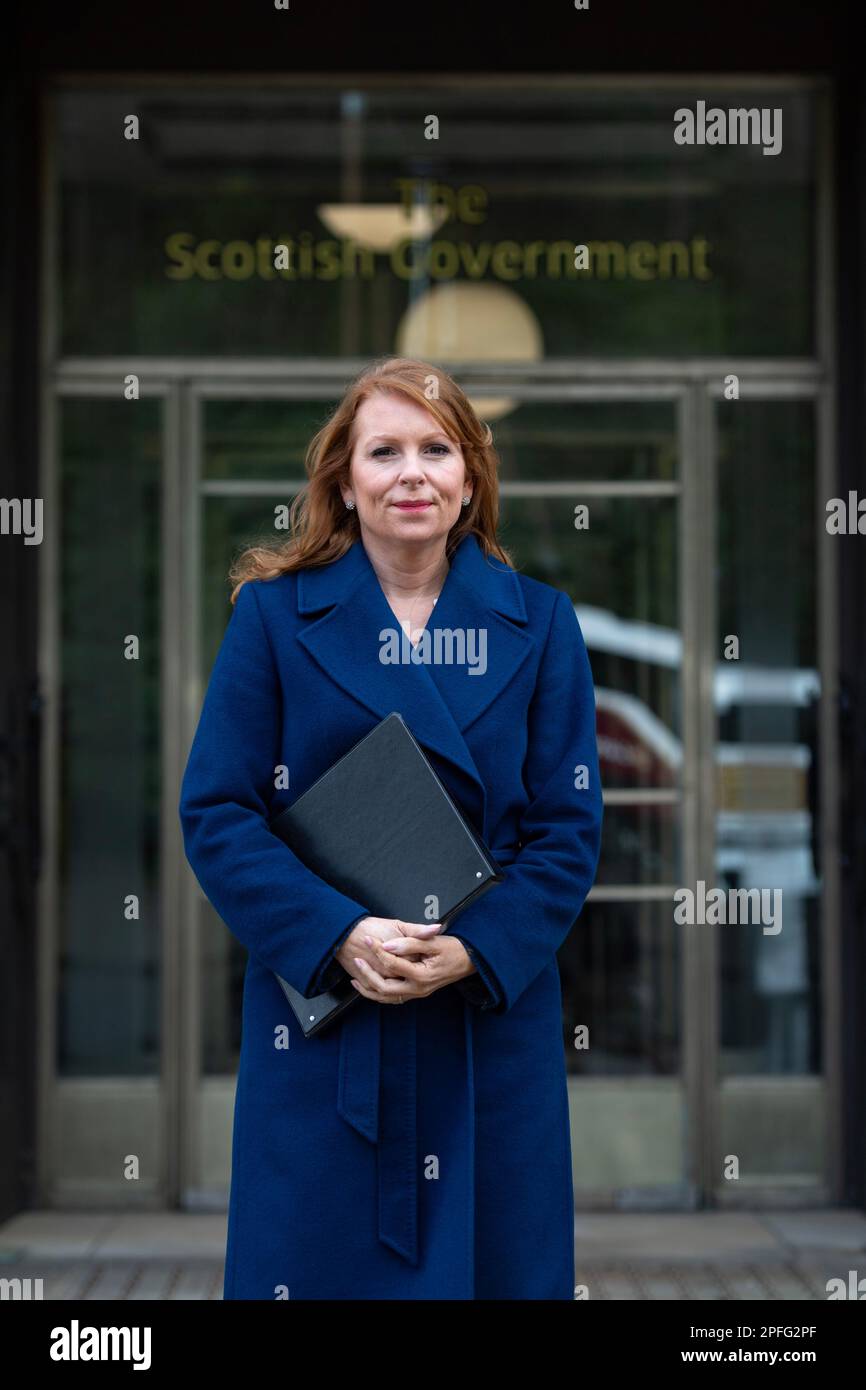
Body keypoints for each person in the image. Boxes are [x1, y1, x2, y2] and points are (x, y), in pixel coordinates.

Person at [178, 356, 603, 1299]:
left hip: (484, 1022)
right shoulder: (275, 620)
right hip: (329, 1027)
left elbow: (569, 829)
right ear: (345, 477)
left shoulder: (542, 625)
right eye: (385, 450)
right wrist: (340, 934)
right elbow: (217, 812)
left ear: (469, 478)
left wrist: (478, 950)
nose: (412, 472)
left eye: (436, 448)